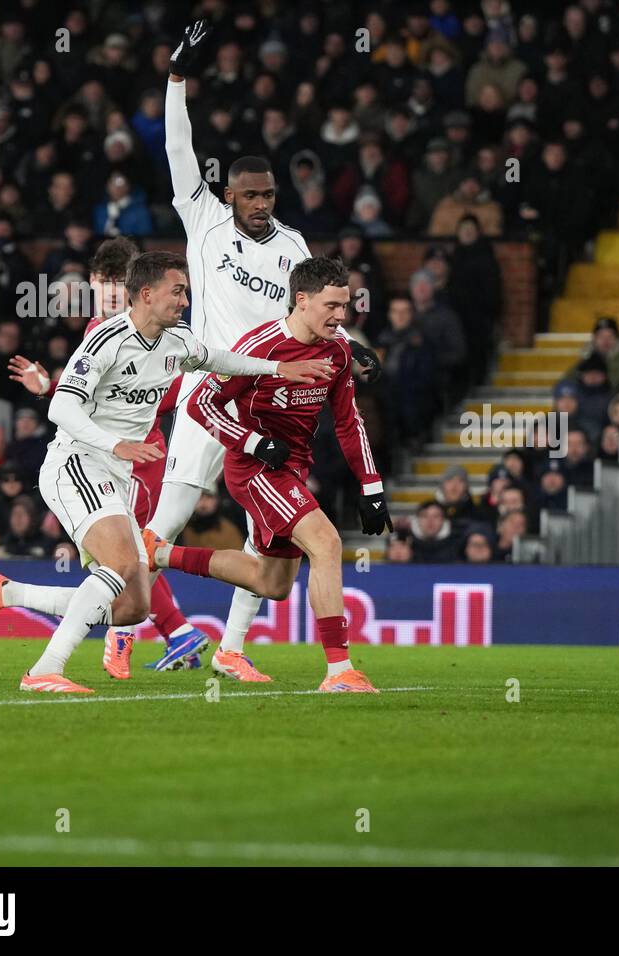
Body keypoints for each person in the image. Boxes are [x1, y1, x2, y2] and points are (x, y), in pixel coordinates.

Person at [0, 251, 321, 693]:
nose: (185, 301)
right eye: (178, 291)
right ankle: (43, 671)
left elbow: (220, 359)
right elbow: (61, 406)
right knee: (120, 564)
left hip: (115, 472)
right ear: (147, 295)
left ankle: (6, 592)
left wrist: (277, 367)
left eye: (186, 291)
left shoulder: (177, 341)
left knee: (131, 605)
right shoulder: (105, 339)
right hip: (76, 463)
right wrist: (115, 443)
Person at [146, 20, 381, 670]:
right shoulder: (203, 218)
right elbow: (177, 146)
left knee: (267, 533)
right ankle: (120, 626)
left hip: (269, 400)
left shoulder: (295, 248)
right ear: (230, 194)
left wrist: (352, 343)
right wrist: (176, 77)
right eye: (249, 194)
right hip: (211, 388)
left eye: (268, 194)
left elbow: (314, 312)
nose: (260, 203)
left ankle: (229, 649)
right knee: (168, 517)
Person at [154, 257, 391, 691]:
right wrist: (253, 443)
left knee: (272, 583)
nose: (342, 316)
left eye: (346, 306)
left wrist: (371, 487)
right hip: (255, 469)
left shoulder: (337, 349)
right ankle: (340, 672)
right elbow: (199, 405)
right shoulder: (258, 348)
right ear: (301, 301)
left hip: (292, 469)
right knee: (327, 542)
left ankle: (163, 554)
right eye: (333, 306)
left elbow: (348, 422)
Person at [5, 237, 218, 674]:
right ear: (92, 283)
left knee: (128, 556)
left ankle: (147, 636)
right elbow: (83, 399)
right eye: (103, 283)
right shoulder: (97, 331)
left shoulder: (157, 334)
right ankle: (174, 632)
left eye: (117, 284)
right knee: (126, 556)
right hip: (100, 458)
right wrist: (47, 388)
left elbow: (170, 391)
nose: (109, 292)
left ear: (136, 288)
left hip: (140, 458)